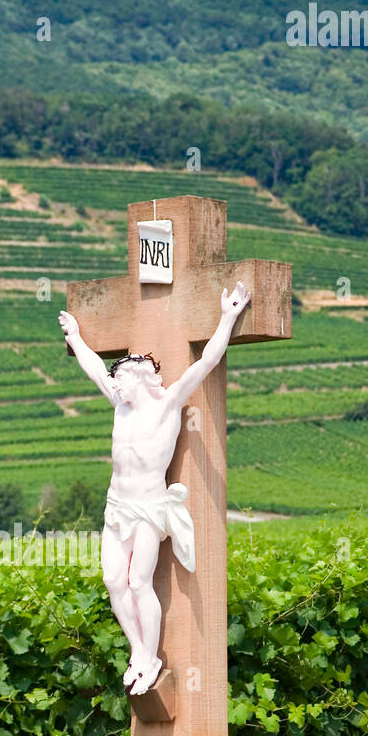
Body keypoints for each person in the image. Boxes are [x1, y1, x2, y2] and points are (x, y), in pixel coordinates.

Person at [58, 283, 251, 695]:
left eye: (121, 378)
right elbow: (94, 367)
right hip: (116, 506)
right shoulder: (120, 404)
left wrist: (228, 316)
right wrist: (76, 338)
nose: (115, 384)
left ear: (141, 379)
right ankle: (138, 652)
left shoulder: (166, 405)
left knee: (139, 582)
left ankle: (150, 657)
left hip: (147, 507)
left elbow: (207, 363)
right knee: (113, 580)